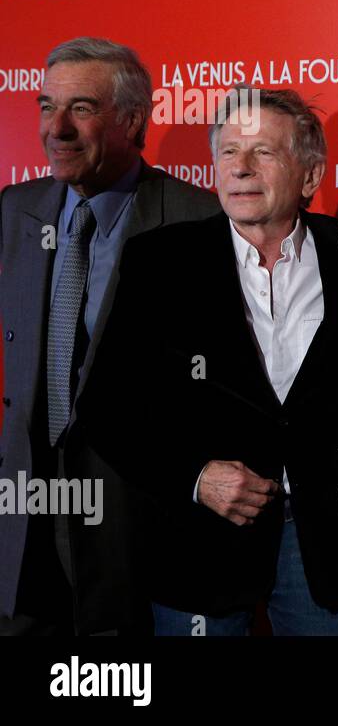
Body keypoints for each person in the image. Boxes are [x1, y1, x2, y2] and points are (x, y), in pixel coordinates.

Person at [76, 87, 338, 635]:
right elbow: (105, 408)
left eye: (263, 152)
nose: (240, 168)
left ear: (310, 176)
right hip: (198, 543)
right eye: (228, 152)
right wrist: (195, 477)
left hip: (324, 543)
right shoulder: (160, 261)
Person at [0, 37, 219, 635]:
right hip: (27, 505)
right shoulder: (14, 211)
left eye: (82, 109)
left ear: (132, 120)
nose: (57, 129)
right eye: (47, 106)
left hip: (136, 513)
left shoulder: (197, 219)